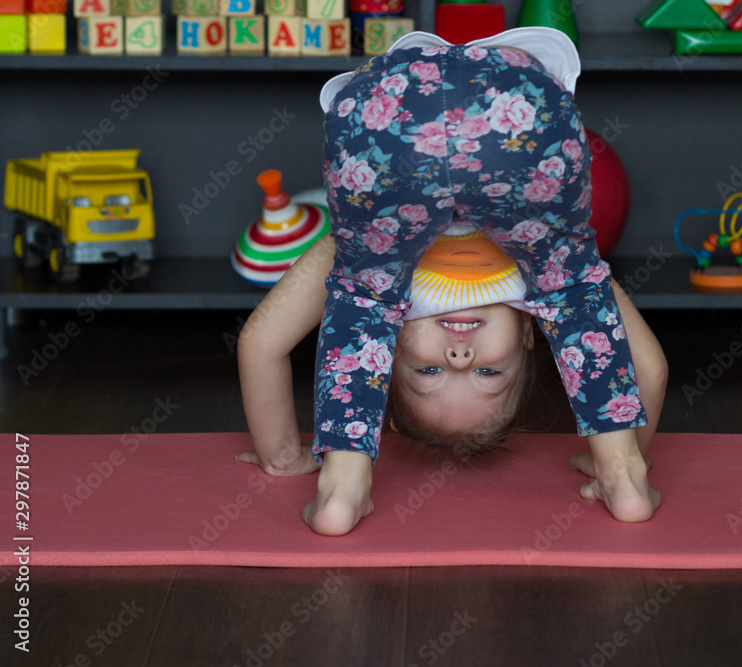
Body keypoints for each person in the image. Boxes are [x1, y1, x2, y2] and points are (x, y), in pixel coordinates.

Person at [236, 27, 668, 536]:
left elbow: (260, 344)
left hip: (403, 120)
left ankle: (343, 485)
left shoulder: (365, 262)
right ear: (530, 333)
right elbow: (649, 370)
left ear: (387, 352)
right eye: (488, 374)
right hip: (501, 117)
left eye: (427, 372)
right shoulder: (545, 278)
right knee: (572, 296)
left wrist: (285, 455)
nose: (459, 358)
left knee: (365, 301)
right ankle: (621, 472)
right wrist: (624, 449)